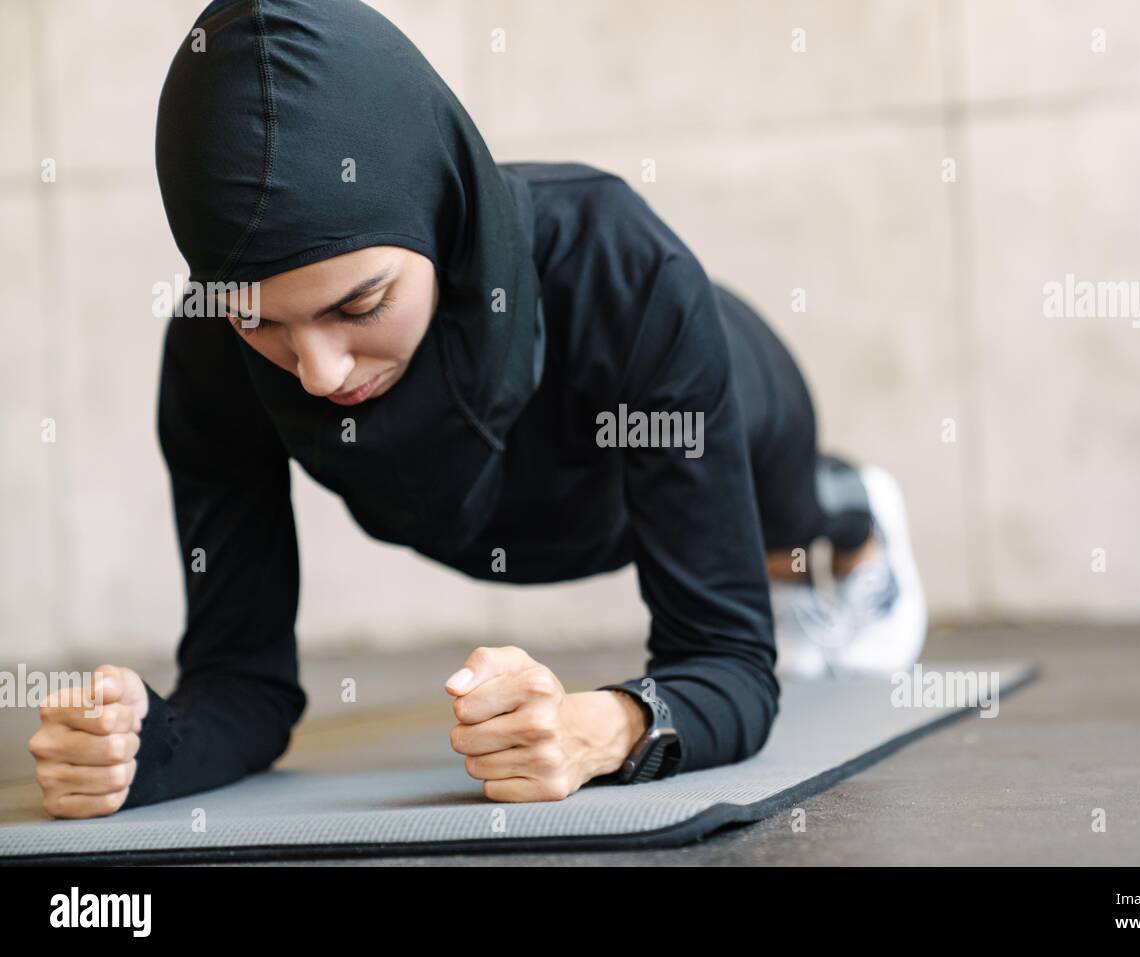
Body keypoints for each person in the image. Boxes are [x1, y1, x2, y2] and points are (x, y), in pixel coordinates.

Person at [27, 0, 926, 819]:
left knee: (792, 537)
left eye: (360, 305)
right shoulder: (212, 346)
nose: (317, 370)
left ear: (440, 209)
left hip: (727, 394)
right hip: (507, 507)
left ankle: (854, 521)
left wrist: (601, 727)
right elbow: (241, 685)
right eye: (263, 322)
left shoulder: (626, 272)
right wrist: (144, 751)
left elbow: (728, 664)